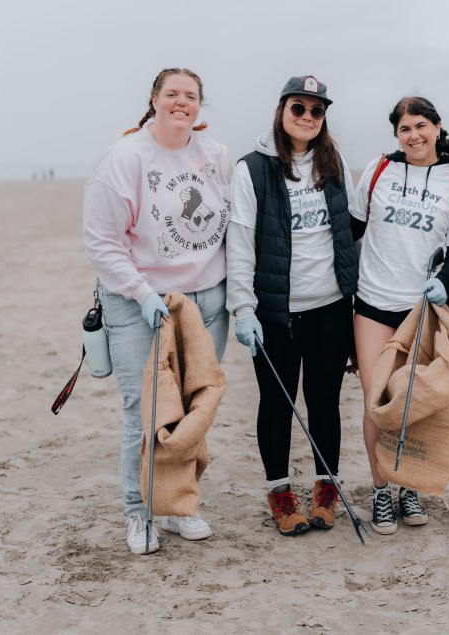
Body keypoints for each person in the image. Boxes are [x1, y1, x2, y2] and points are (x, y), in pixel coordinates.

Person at [83, 67, 231, 554]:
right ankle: (139, 512)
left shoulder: (215, 155)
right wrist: (143, 293)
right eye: (172, 94)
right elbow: (102, 243)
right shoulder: (125, 157)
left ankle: (177, 507)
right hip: (139, 303)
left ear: (199, 105)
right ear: (155, 99)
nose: (181, 102)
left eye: (191, 96)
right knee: (143, 413)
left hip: (207, 302)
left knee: (190, 412)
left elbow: (232, 229)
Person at [226, 75, 358, 536]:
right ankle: (281, 494)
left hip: (330, 307)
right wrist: (243, 309)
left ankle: (326, 488)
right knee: (277, 404)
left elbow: (347, 232)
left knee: (325, 401)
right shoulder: (251, 169)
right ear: (282, 111)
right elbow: (240, 242)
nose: (307, 117)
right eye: (298, 108)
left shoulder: (332, 162)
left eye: (316, 111)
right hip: (276, 313)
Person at [349, 96, 449, 535]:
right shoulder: (380, 168)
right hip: (372, 304)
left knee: (411, 404)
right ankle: (381, 490)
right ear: (396, 135)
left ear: (437, 127)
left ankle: (408, 487)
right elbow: (352, 230)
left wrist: (446, 285)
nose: (414, 135)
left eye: (421, 125)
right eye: (405, 129)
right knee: (377, 401)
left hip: (420, 309)